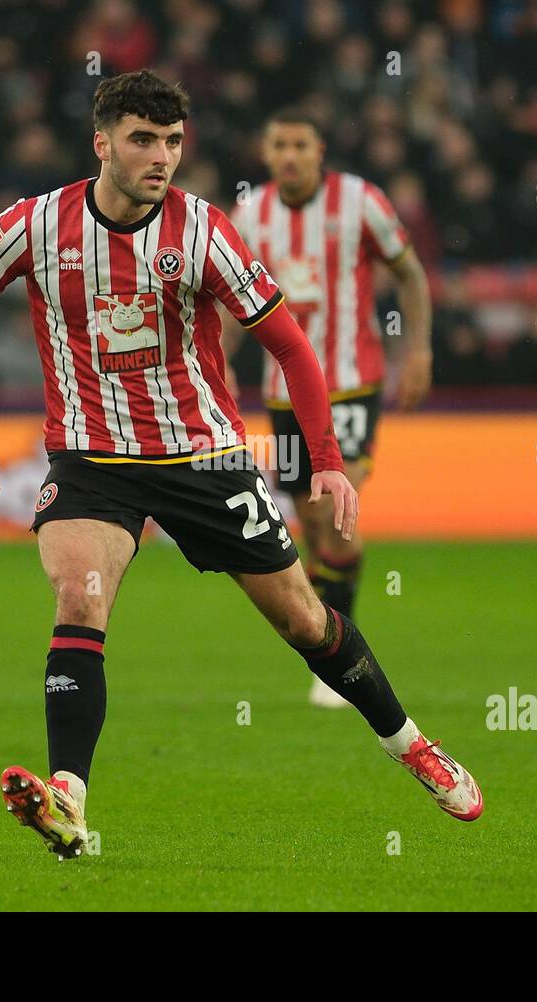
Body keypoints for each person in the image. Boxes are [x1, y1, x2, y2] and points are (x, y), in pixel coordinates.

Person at [0, 70, 481, 860]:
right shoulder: (36, 225)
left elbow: (290, 343)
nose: (161, 157)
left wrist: (325, 459)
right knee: (79, 599)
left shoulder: (204, 231)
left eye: (173, 142)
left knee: (303, 617)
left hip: (205, 456)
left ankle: (409, 743)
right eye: (143, 140)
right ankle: (69, 800)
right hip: (92, 459)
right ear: (103, 143)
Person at [225, 108, 433, 707]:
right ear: (266, 154)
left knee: (333, 508)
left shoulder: (360, 201)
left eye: (300, 145)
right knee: (311, 527)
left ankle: (337, 670)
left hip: (348, 382)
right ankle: (332, 642)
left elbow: (411, 274)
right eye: (279, 144)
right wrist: (215, 369)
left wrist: (418, 351)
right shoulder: (250, 215)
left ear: (320, 152)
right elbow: (228, 303)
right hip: (282, 390)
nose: (289, 155)